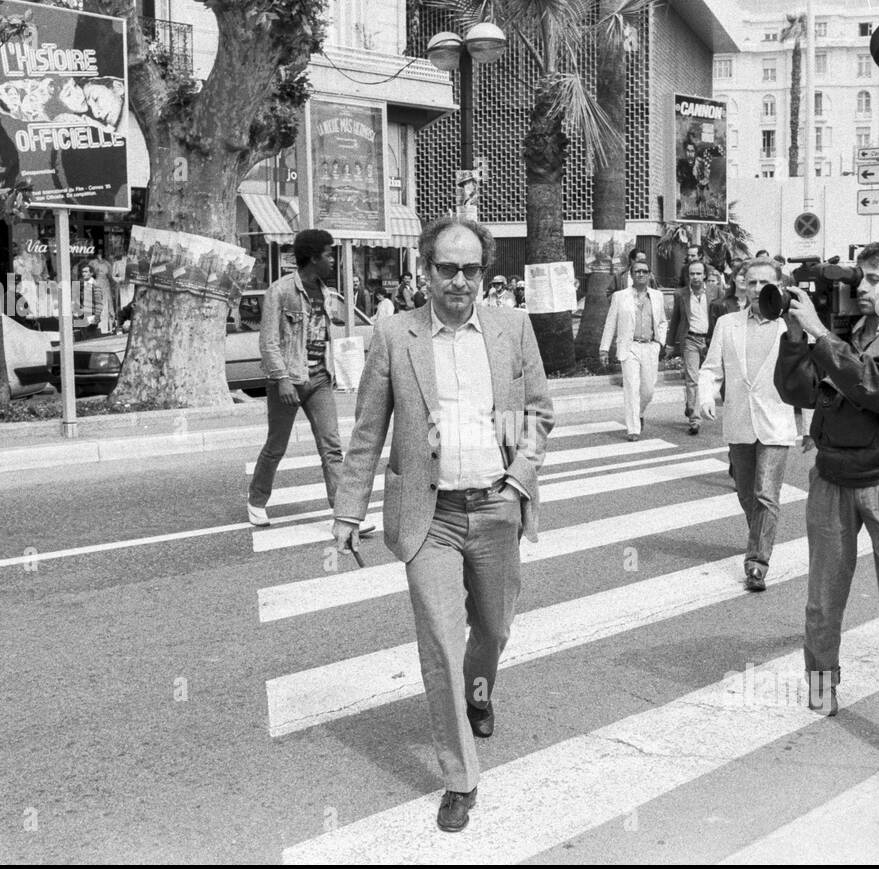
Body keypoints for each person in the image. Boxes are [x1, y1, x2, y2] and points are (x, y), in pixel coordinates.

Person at [330, 217, 554, 833]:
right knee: (438, 643)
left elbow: (537, 413)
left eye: (471, 269)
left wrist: (518, 482)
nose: (459, 281)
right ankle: (460, 776)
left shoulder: (511, 329)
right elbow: (369, 429)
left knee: (495, 628)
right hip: (429, 517)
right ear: (425, 270)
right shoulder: (395, 334)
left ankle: (480, 690)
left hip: (495, 504)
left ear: (484, 273)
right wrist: (347, 510)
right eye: (447, 268)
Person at [774, 240, 879, 755]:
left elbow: (876, 387)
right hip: (831, 481)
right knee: (824, 601)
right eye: (861, 279)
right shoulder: (845, 335)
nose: (863, 288)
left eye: (875, 280)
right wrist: (793, 336)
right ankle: (821, 688)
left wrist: (823, 336)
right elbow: (798, 392)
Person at [249, 229, 372, 534]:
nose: (333, 260)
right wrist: (282, 380)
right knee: (276, 446)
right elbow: (268, 342)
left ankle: (345, 513)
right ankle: (256, 500)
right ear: (313, 258)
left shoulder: (326, 292)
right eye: (329, 254)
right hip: (288, 379)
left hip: (318, 379)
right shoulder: (280, 291)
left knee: (332, 447)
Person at [699, 257, 807, 592]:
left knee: (765, 494)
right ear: (742, 284)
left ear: (779, 286)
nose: (758, 288)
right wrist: (706, 394)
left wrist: (812, 425)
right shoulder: (727, 323)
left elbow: (808, 375)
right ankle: (758, 536)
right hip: (739, 421)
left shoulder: (789, 324)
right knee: (747, 494)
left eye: (766, 283)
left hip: (776, 421)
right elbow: (710, 367)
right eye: (752, 281)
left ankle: (757, 562)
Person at [599, 258, 668, 441]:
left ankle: (639, 413)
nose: (641, 274)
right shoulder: (620, 296)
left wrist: (660, 342)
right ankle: (633, 429)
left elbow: (662, 322)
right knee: (631, 387)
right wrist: (604, 349)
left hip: (650, 346)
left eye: (644, 271)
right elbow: (610, 323)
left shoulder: (657, 296)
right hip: (629, 348)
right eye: (637, 271)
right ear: (631, 275)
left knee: (648, 390)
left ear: (649, 275)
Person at [666, 261, 711, 436]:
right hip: (690, 339)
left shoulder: (715, 292)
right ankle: (695, 420)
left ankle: (690, 404)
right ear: (688, 276)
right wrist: (670, 344)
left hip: (708, 340)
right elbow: (675, 320)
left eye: (699, 273)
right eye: (692, 274)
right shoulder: (681, 294)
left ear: (704, 275)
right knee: (692, 379)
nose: (695, 277)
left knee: (707, 378)